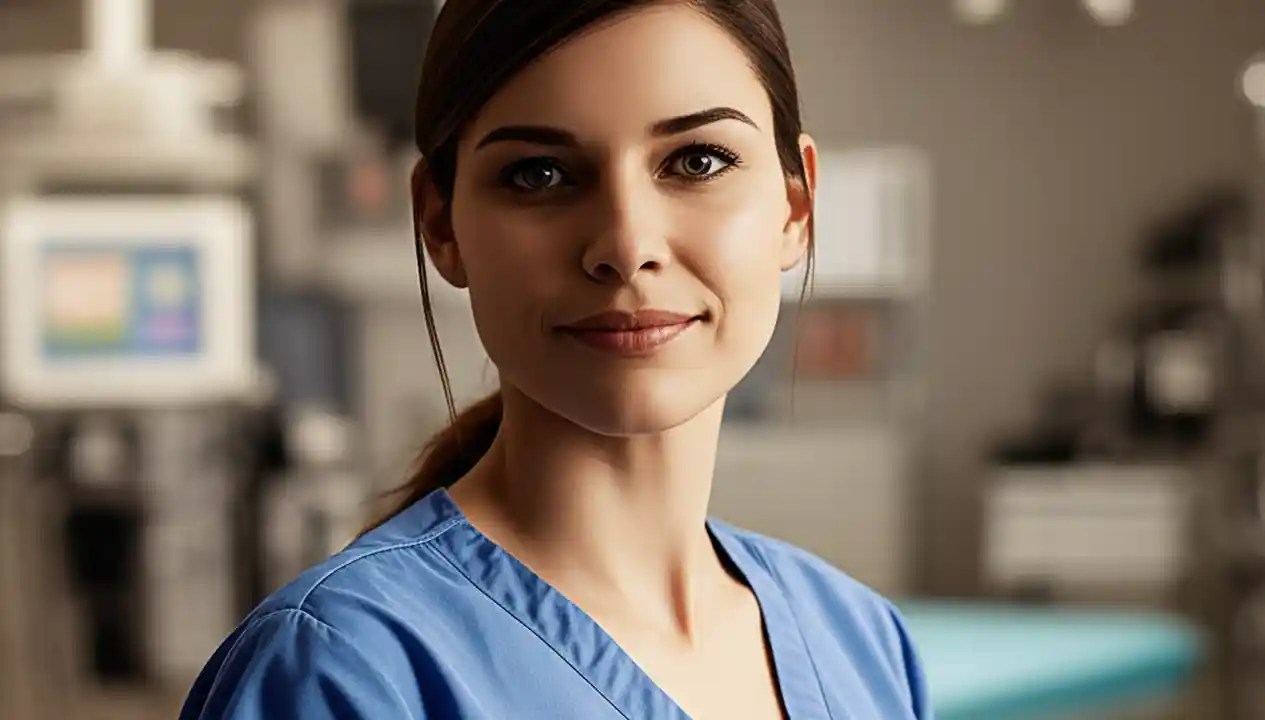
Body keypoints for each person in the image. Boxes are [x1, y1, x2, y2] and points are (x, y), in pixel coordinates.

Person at [180, 1, 932, 718]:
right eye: (539, 174)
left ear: (795, 208)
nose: (626, 246)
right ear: (440, 225)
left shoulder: (862, 646)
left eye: (697, 161)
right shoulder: (345, 672)